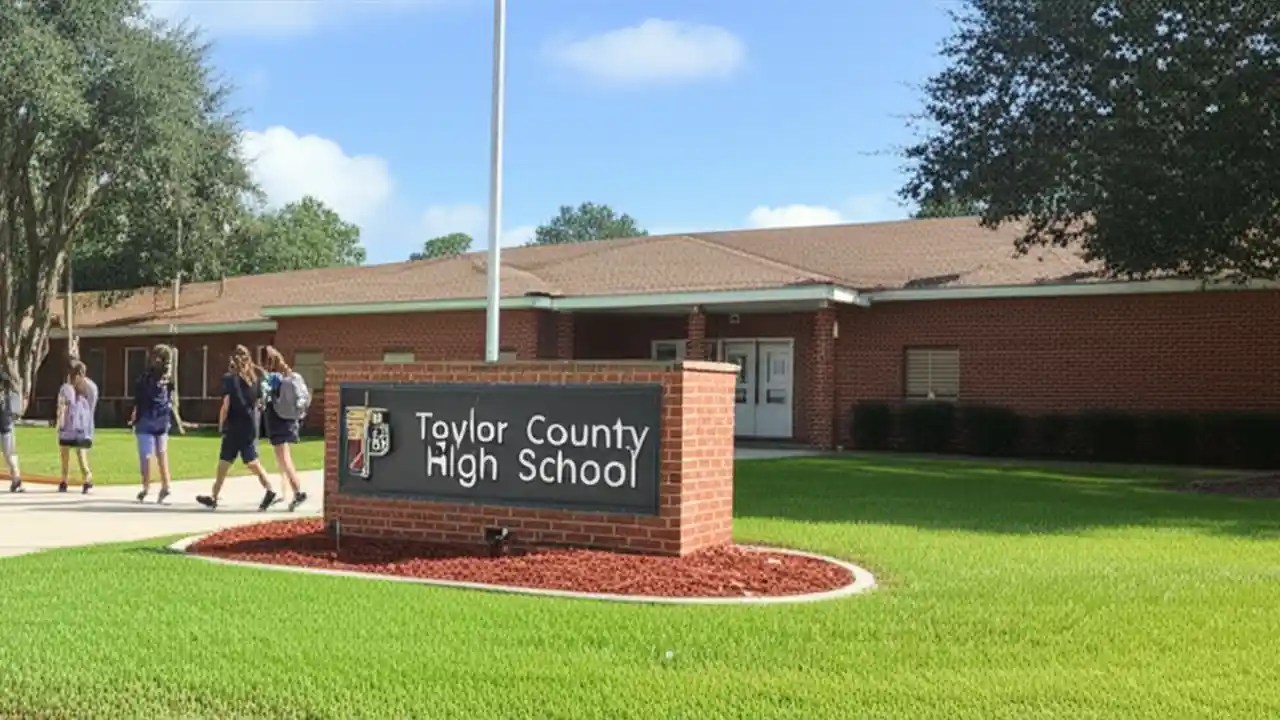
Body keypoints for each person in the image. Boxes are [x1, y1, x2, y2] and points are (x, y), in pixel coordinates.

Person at [196, 345, 278, 511]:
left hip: (234, 425)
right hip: (250, 424)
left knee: (226, 462)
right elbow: (259, 402)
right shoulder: (255, 378)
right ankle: (268, 489)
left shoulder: (230, 379)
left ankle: (215, 497)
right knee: (248, 461)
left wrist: (221, 424)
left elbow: (226, 405)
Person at [130, 344, 186, 504]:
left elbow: (139, 399)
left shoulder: (145, 379)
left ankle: (146, 487)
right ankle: (166, 484)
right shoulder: (168, 380)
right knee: (161, 453)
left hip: (146, 418)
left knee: (146, 455)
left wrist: (134, 415)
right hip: (162, 418)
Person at [262, 346, 310, 512]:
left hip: (278, 421)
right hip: (289, 420)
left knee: (284, 459)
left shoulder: (273, 379)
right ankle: (284, 493)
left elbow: (265, 398)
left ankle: (298, 492)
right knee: (281, 458)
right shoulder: (292, 376)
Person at [56, 358, 97, 494]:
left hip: (81, 426)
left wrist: (87, 428)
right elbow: (62, 405)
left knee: (80, 452)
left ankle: (87, 478)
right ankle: (64, 479)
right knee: (64, 452)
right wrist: (60, 421)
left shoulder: (90, 388)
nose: (73, 378)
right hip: (68, 425)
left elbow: (90, 410)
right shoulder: (67, 388)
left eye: (75, 375)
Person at [1, 367, 21, 493]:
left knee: (9, 455)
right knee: (9, 455)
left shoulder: (7, 396)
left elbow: (14, 413)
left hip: (6, 427)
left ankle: (16, 478)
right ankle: (16, 478)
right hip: (6, 426)